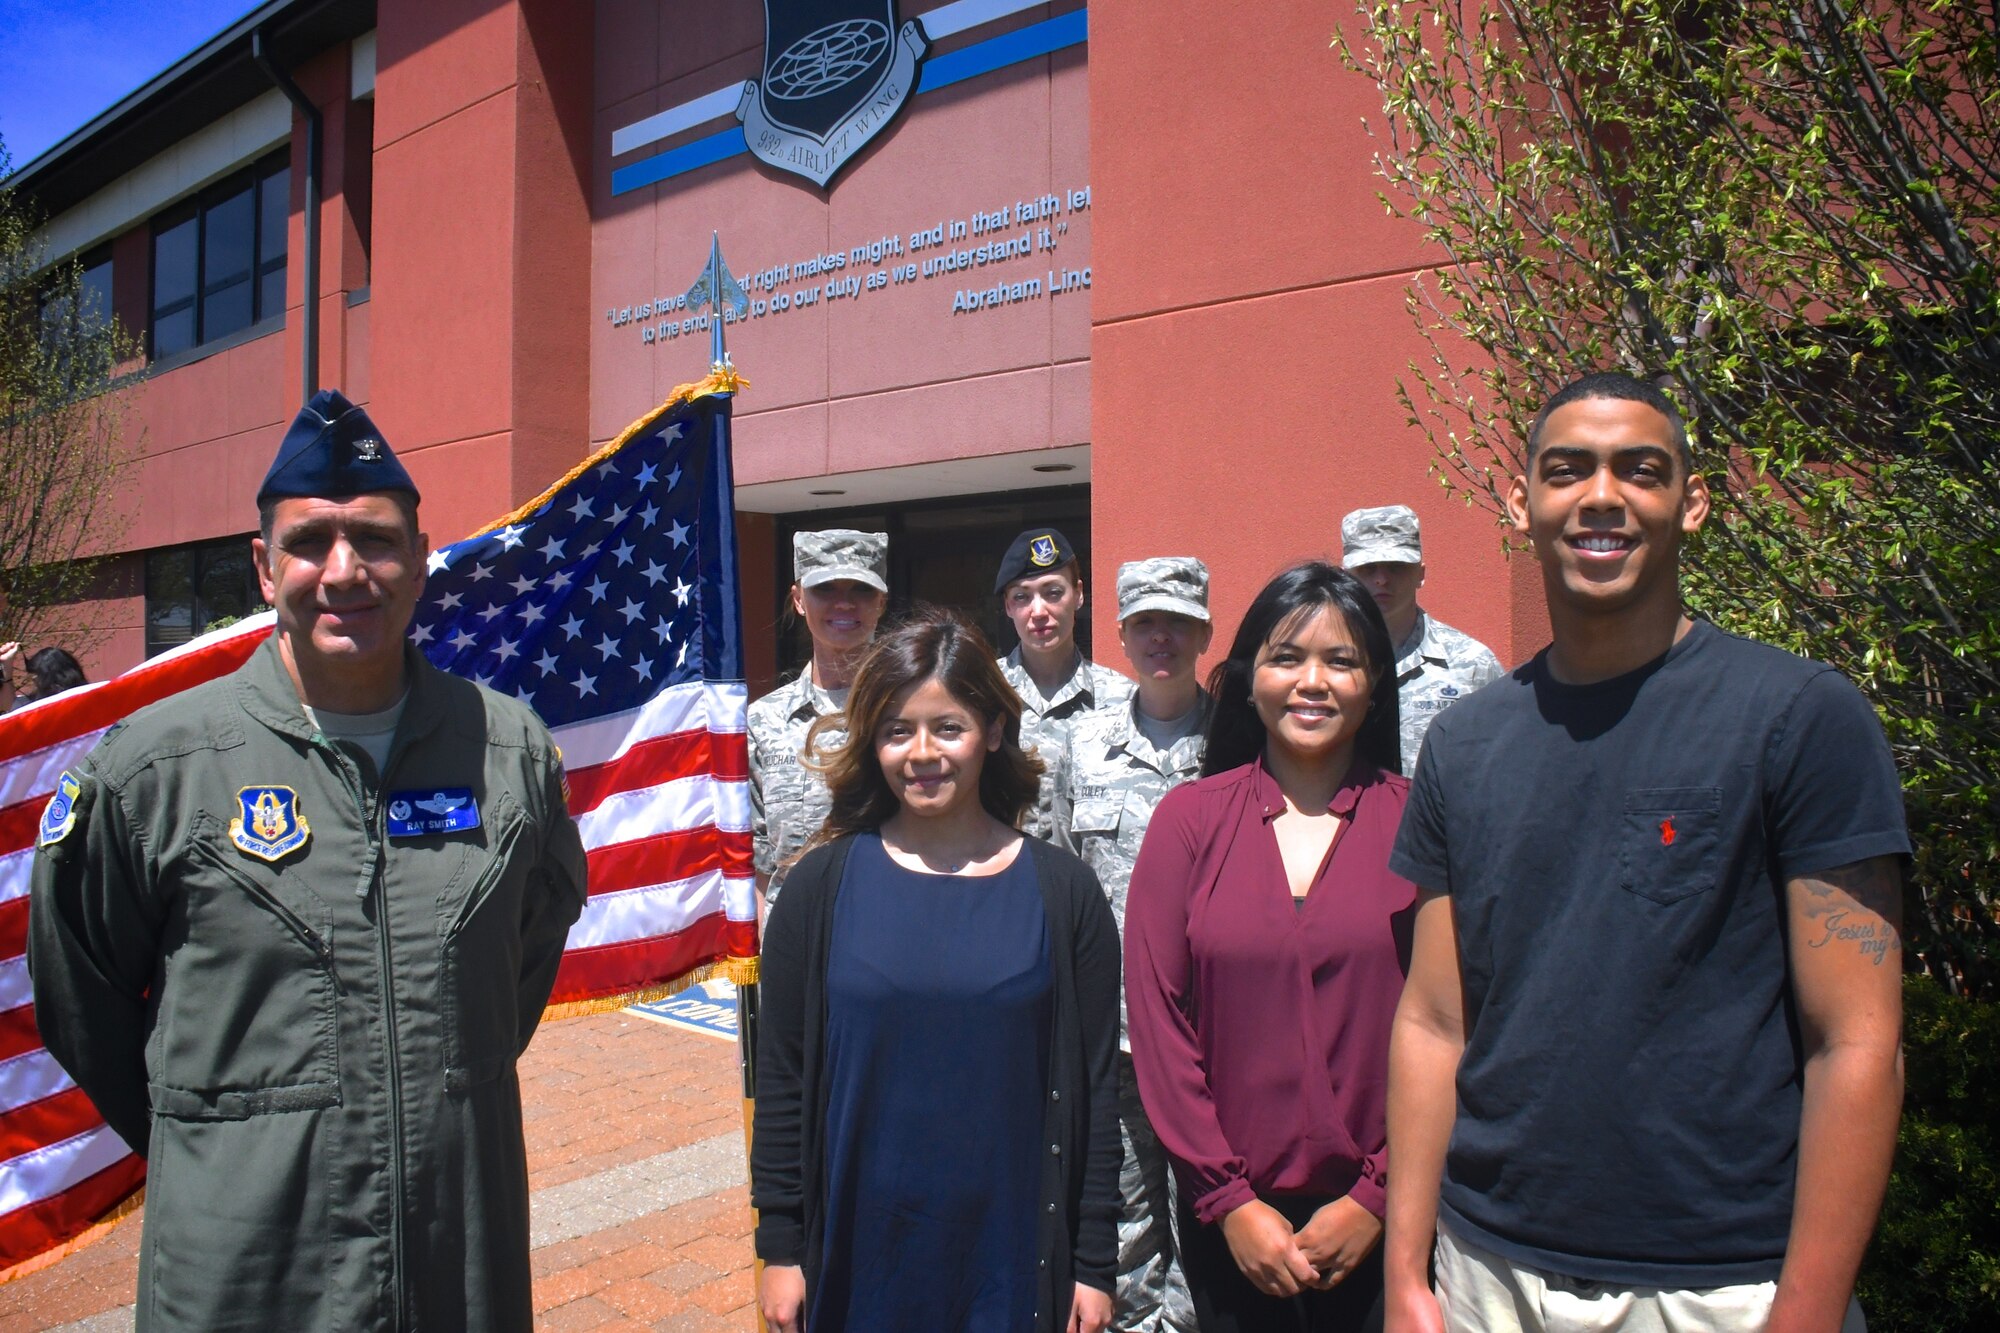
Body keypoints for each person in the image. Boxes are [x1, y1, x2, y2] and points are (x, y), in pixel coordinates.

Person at [28, 388, 588, 1332]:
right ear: (262, 566)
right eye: (309, 542)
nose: (343, 571)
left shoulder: (508, 751)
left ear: (418, 560)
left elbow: (517, 965)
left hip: (457, 1266)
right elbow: (78, 997)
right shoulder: (156, 770)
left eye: (373, 540)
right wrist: (226, 1143)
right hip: (243, 1277)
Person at [1383, 372, 1908, 1333]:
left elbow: (1858, 1041)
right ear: (1523, 500)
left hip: (1721, 1289)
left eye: (1641, 470)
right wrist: (1406, 1277)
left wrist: (1808, 1309)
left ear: (1691, 503)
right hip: (1485, 1274)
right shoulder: (1464, 741)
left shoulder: (1798, 717)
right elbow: (1431, 1019)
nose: (1601, 496)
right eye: (1568, 469)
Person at [752, 607, 1120, 1333]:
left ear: (993, 731)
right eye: (897, 730)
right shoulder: (816, 892)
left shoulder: (1064, 895)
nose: (922, 752)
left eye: (947, 726)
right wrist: (781, 1247)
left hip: (1011, 1263)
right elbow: (784, 1082)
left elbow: (1095, 1092)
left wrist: (1093, 1263)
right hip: (861, 1260)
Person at [1126, 561, 1415, 1333]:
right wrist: (1227, 1200)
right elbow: (1159, 1023)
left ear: (1376, 682)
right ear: (1248, 676)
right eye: (1287, 657)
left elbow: (1457, 1018)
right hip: (1236, 1227)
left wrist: (1377, 1198)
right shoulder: (1187, 822)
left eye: (1342, 659)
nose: (1312, 681)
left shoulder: (1419, 823)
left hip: (1389, 1220)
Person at [1052, 557, 1214, 1333]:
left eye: (1178, 620)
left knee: (1212, 1218)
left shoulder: (1242, 743)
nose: (1162, 637)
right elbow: (1062, 883)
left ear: (1206, 632)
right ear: (1118, 634)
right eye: (1146, 621)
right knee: (1122, 1221)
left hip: (1213, 1039)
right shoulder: (1082, 747)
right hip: (1113, 1038)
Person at [748, 528, 889, 902]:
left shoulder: (908, 709)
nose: (844, 604)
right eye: (825, 589)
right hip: (791, 939)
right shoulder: (764, 721)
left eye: (861, 590)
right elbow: (760, 865)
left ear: (881, 603)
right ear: (798, 600)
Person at [1339, 505, 1503, 774]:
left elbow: (1501, 760)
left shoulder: (1472, 665)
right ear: (1347, 577)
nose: (1381, 579)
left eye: (1396, 567)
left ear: (1421, 574)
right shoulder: (1323, 662)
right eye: (1368, 568)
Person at [994, 526, 1134, 838]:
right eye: (1021, 597)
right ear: (1008, 607)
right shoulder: (980, 691)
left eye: (1053, 592)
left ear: (1079, 594)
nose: (1039, 611)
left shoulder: (1122, 700)